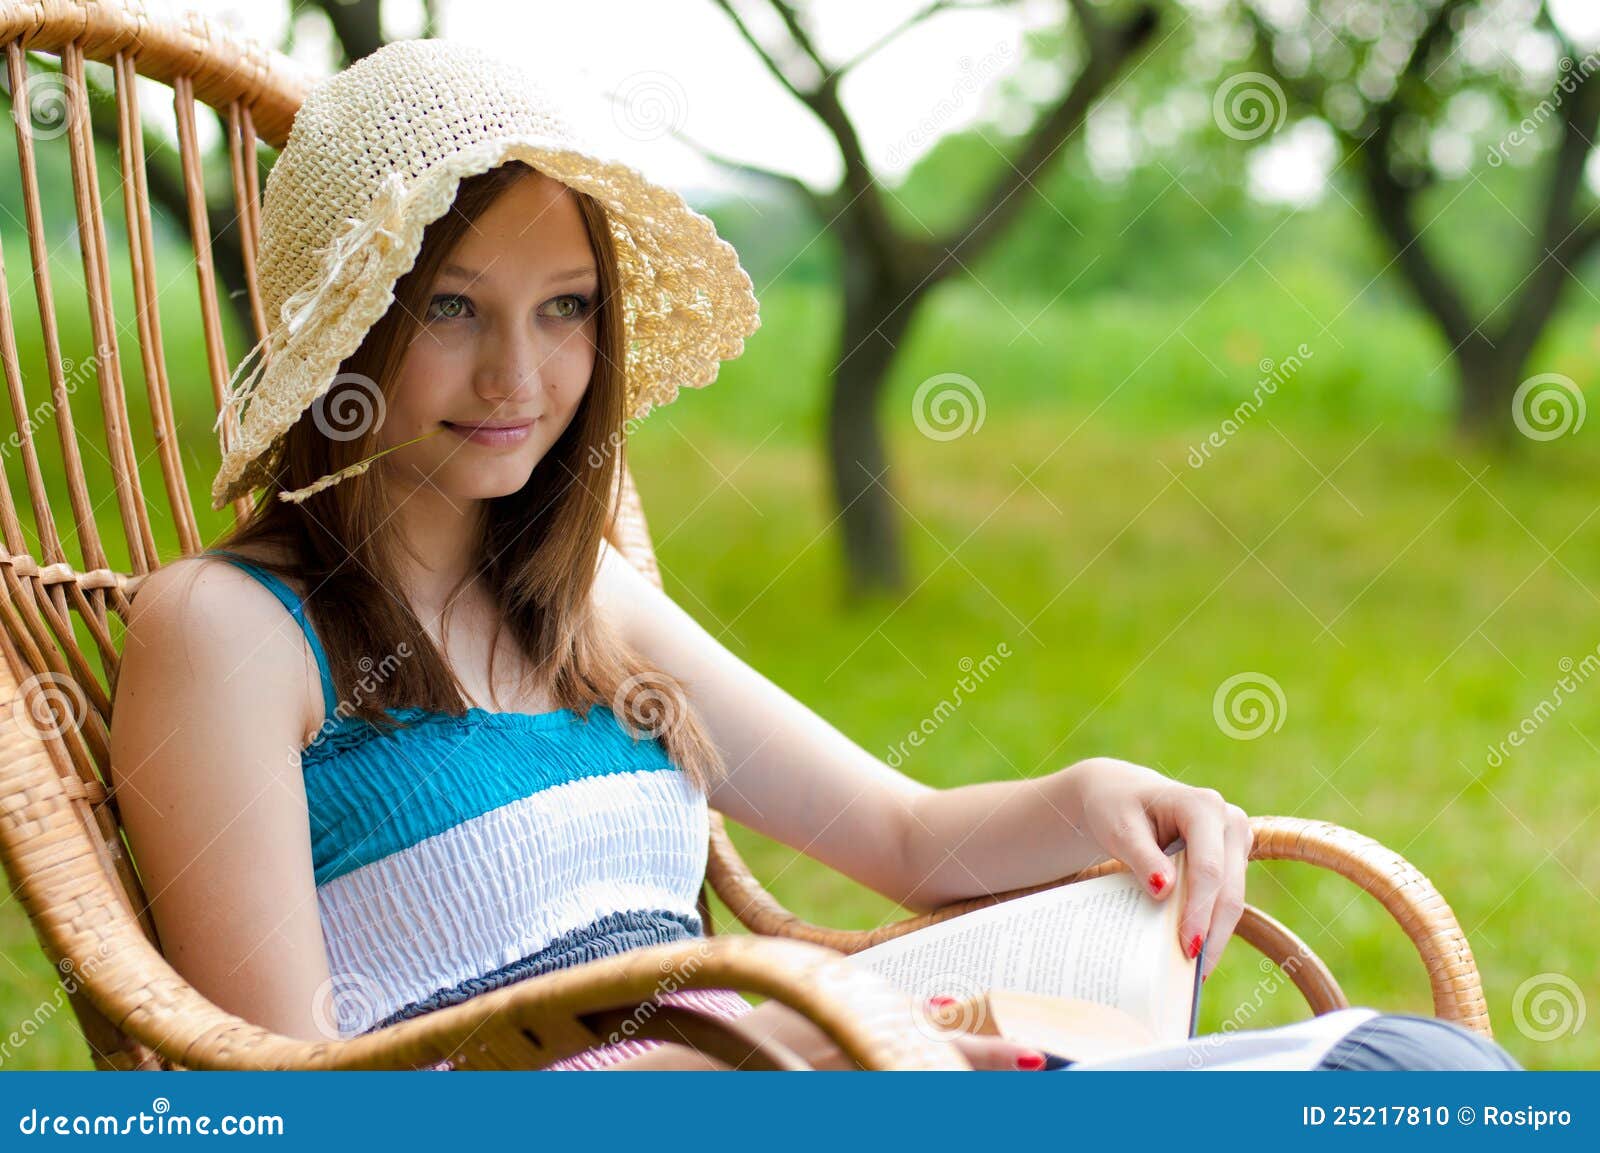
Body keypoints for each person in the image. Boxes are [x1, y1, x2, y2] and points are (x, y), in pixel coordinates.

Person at [109, 38, 1520, 1073]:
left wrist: (1095, 799)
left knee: (1411, 1081)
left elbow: (903, 838)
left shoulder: (580, 597)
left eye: (566, 308)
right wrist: (759, 1048)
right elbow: (282, 1087)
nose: (520, 374)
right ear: (345, 341)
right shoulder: (228, 631)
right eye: (453, 311)